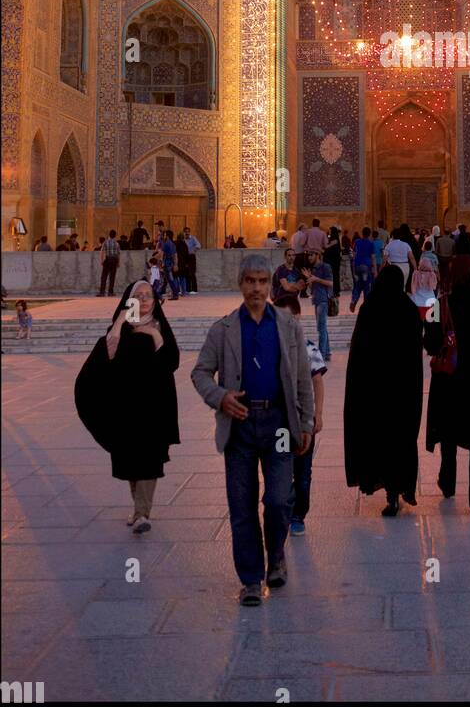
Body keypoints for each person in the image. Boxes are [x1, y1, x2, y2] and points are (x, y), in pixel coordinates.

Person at [191, 255, 314, 606]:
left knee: (277, 501)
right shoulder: (224, 328)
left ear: (268, 285)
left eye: (262, 281)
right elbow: (200, 372)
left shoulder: (288, 327)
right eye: (250, 281)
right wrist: (220, 397)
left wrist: (305, 423)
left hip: (277, 424)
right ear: (241, 284)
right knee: (242, 506)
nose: (257, 288)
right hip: (241, 427)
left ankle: (275, 554)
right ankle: (250, 578)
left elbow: (302, 378)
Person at [75, 279, 180, 535]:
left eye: (149, 296)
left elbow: (172, 361)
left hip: (155, 407)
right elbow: (106, 357)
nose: (145, 300)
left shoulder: (159, 327)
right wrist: (121, 322)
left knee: (150, 458)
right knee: (132, 459)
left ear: (155, 300)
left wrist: (155, 335)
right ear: (130, 300)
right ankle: (138, 507)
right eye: (139, 296)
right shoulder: (120, 330)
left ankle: (143, 512)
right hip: (126, 409)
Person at [343, 264, 423, 517]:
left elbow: (358, 352)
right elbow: (415, 351)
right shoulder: (409, 309)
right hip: (403, 392)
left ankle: (390, 495)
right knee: (401, 440)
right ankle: (402, 488)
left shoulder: (370, 308)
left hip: (374, 392)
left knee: (380, 439)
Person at [424, 254, 470, 515]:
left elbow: (430, 345)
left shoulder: (439, 305)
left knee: (448, 430)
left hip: (447, 380)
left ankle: (447, 481)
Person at [289, 336, 327, 537]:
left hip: (304, 423)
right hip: (280, 426)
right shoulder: (269, 346)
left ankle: (298, 516)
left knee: (303, 472)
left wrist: (318, 414)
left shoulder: (308, 348)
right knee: (281, 468)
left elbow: (318, 382)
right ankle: (284, 506)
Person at [307, 250, 334, 360]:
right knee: (322, 327)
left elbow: (331, 283)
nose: (309, 257)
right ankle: (327, 353)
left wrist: (316, 279)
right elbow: (313, 284)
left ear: (318, 255)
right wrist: (309, 278)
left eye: (311, 255)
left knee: (321, 328)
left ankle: (322, 354)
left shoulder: (325, 267)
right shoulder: (313, 268)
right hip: (316, 299)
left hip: (323, 300)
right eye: (308, 255)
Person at [350, 226, 377, 312]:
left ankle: (354, 300)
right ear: (369, 234)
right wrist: (375, 270)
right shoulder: (370, 243)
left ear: (362, 233)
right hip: (366, 267)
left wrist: (353, 266)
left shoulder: (357, 242)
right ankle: (366, 306)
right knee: (366, 287)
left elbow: (353, 255)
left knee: (357, 286)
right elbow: (373, 257)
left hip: (357, 266)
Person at [271, 248, 305, 315]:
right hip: (282, 301)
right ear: (285, 257)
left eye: (293, 255)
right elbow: (286, 287)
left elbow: (302, 286)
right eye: (289, 255)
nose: (291, 257)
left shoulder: (296, 270)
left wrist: (291, 285)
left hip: (293, 300)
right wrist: (295, 285)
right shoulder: (281, 270)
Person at [409, 254, 439, 323]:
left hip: (416, 302)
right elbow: (434, 287)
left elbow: (413, 287)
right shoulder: (432, 274)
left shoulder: (416, 274)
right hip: (429, 302)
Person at [98, 229, 121, 298]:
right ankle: (110, 292)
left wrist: (102, 260)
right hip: (114, 260)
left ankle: (102, 292)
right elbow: (118, 254)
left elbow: (102, 252)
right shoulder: (117, 244)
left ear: (109, 235)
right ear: (115, 236)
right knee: (112, 277)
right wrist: (118, 262)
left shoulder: (105, 242)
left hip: (107, 260)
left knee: (104, 276)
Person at [160, 229, 180, 300]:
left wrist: (162, 262)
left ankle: (175, 294)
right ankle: (175, 293)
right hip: (170, 263)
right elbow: (175, 254)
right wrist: (175, 264)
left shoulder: (167, 243)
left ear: (167, 236)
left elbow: (162, 253)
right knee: (170, 279)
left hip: (167, 264)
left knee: (170, 280)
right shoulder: (172, 243)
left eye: (165, 235)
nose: (164, 236)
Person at [435, 226, 455, 292]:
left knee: (441, 273)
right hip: (449, 259)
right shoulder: (452, 241)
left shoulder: (439, 240)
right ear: (450, 233)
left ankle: (441, 287)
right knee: (448, 274)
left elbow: (436, 251)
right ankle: (447, 288)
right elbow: (454, 252)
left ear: (443, 232)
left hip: (440, 258)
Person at [182, 226, 200, 293]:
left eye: (188, 232)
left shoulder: (193, 238)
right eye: (185, 232)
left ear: (189, 232)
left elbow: (198, 245)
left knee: (192, 273)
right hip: (185, 257)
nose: (187, 233)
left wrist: (193, 250)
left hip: (191, 257)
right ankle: (188, 289)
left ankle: (194, 290)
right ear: (184, 232)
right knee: (187, 273)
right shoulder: (183, 239)